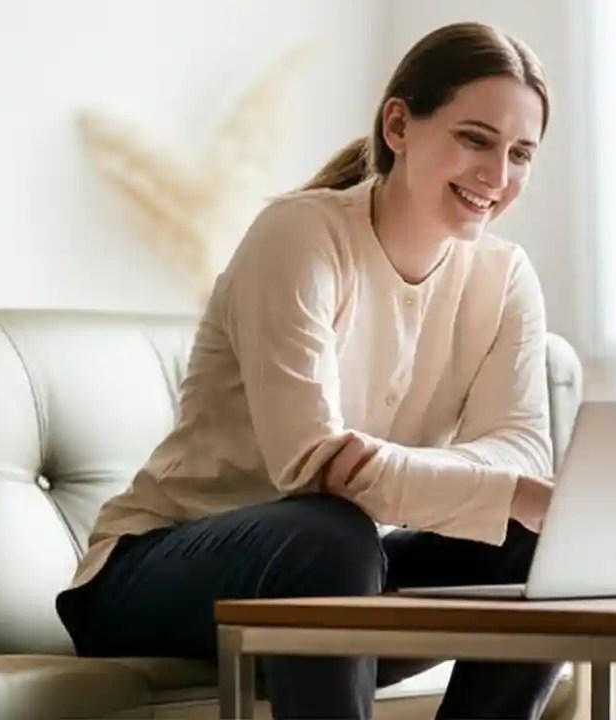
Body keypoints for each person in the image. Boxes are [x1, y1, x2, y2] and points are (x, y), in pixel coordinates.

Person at [54, 20, 562, 720]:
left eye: (521, 154)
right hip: (154, 578)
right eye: (475, 139)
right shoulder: (300, 235)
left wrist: (426, 478)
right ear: (398, 125)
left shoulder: (504, 277)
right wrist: (501, 489)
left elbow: (522, 454)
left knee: (537, 544)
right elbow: (310, 464)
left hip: (341, 581)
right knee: (329, 528)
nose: (497, 176)